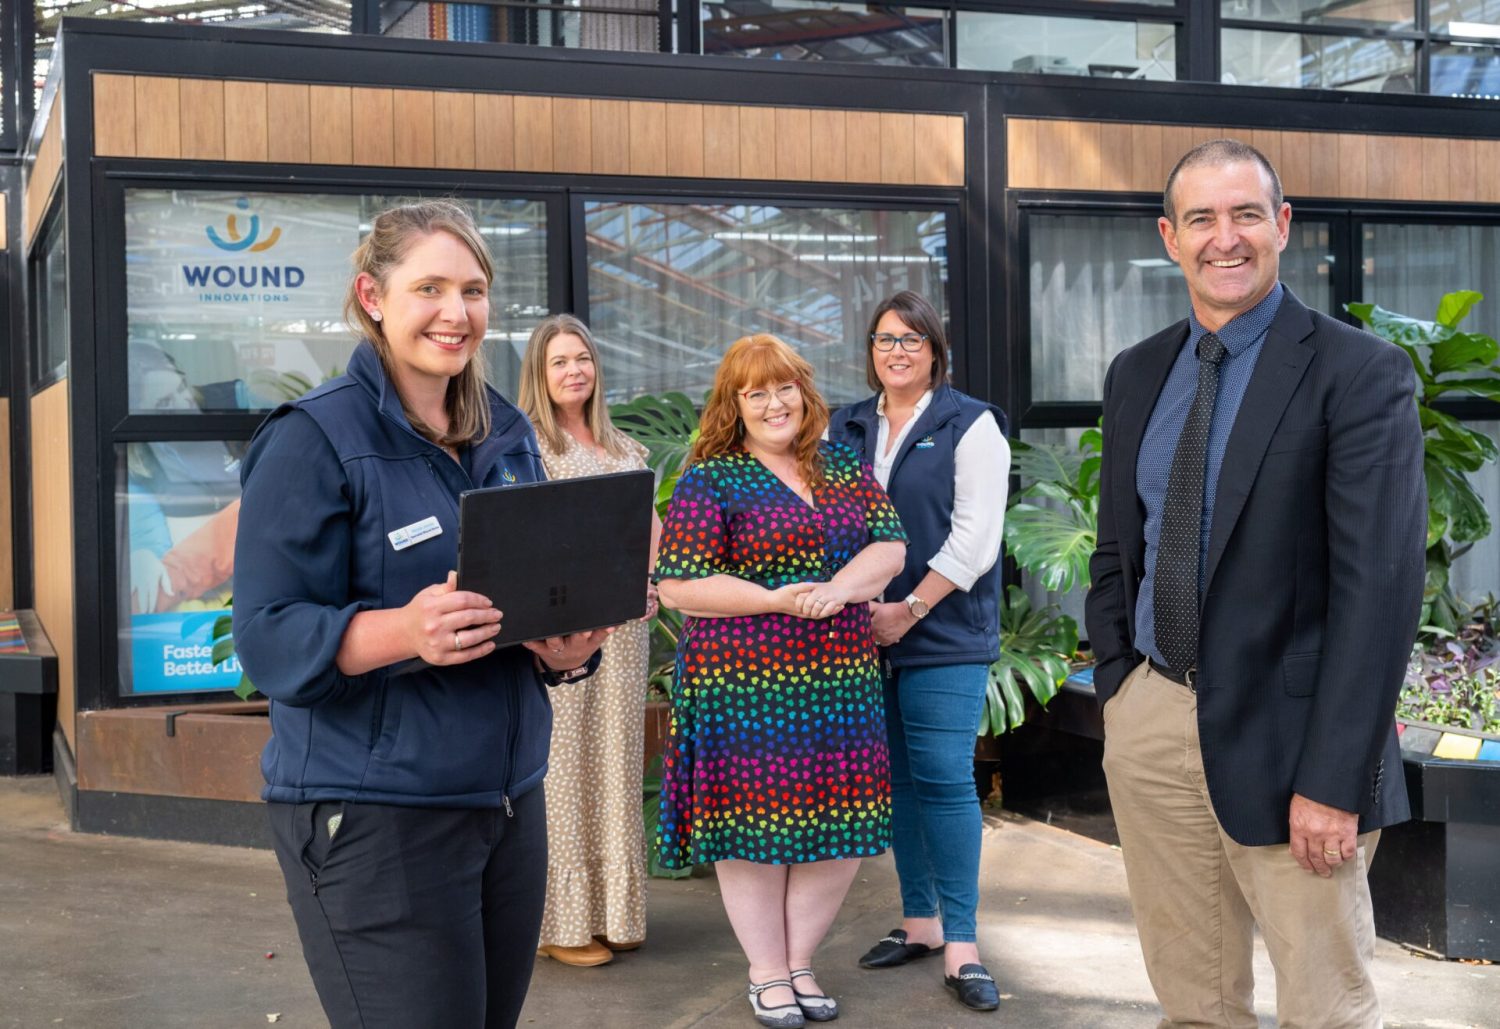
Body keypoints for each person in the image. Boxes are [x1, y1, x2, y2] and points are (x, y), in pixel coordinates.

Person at [233, 200, 611, 1029]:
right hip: (378, 818)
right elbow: (265, 635)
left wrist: (562, 648)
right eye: (430, 288)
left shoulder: (505, 431)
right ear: (372, 297)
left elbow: (526, 592)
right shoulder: (314, 437)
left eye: (473, 290)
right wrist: (407, 631)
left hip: (507, 804)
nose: (456, 312)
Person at [1085, 140, 1425, 1028]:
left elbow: (1380, 592)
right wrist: (1121, 689)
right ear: (1170, 237)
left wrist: (1336, 778)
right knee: (1193, 1003)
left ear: (1282, 224)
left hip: (1295, 744)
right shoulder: (1136, 372)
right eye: (1201, 218)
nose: (1224, 237)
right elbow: (1118, 544)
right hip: (1154, 724)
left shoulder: (1359, 372)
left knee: (1325, 1009)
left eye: (1245, 214)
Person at [654, 334, 907, 1028]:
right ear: (734, 405)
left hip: (840, 681)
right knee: (755, 828)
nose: (774, 403)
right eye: (756, 392)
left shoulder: (843, 465)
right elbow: (678, 586)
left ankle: (799, 963)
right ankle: (766, 971)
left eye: (784, 387)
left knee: (841, 824)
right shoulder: (713, 477)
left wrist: (838, 589)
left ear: (804, 391)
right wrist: (775, 599)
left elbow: (890, 545)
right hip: (744, 687)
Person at [828, 291, 1009, 1013]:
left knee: (944, 778)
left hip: (943, 632)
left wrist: (910, 610)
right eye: (885, 339)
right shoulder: (846, 425)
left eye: (911, 339)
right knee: (898, 780)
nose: (897, 351)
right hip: (861, 633)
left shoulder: (971, 423)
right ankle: (921, 921)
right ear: (870, 350)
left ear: (935, 349)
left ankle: (963, 942)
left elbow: (975, 539)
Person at [517, 314, 660, 967]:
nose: (574, 370)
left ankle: (614, 913)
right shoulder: (528, 447)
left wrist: (654, 583)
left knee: (616, 764)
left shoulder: (623, 445)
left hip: (625, 632)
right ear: (539, 374)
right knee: (566, 769)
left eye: (582, 359)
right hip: (565, 632)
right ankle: (562, 925)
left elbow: (649, 530)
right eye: (559, 361)